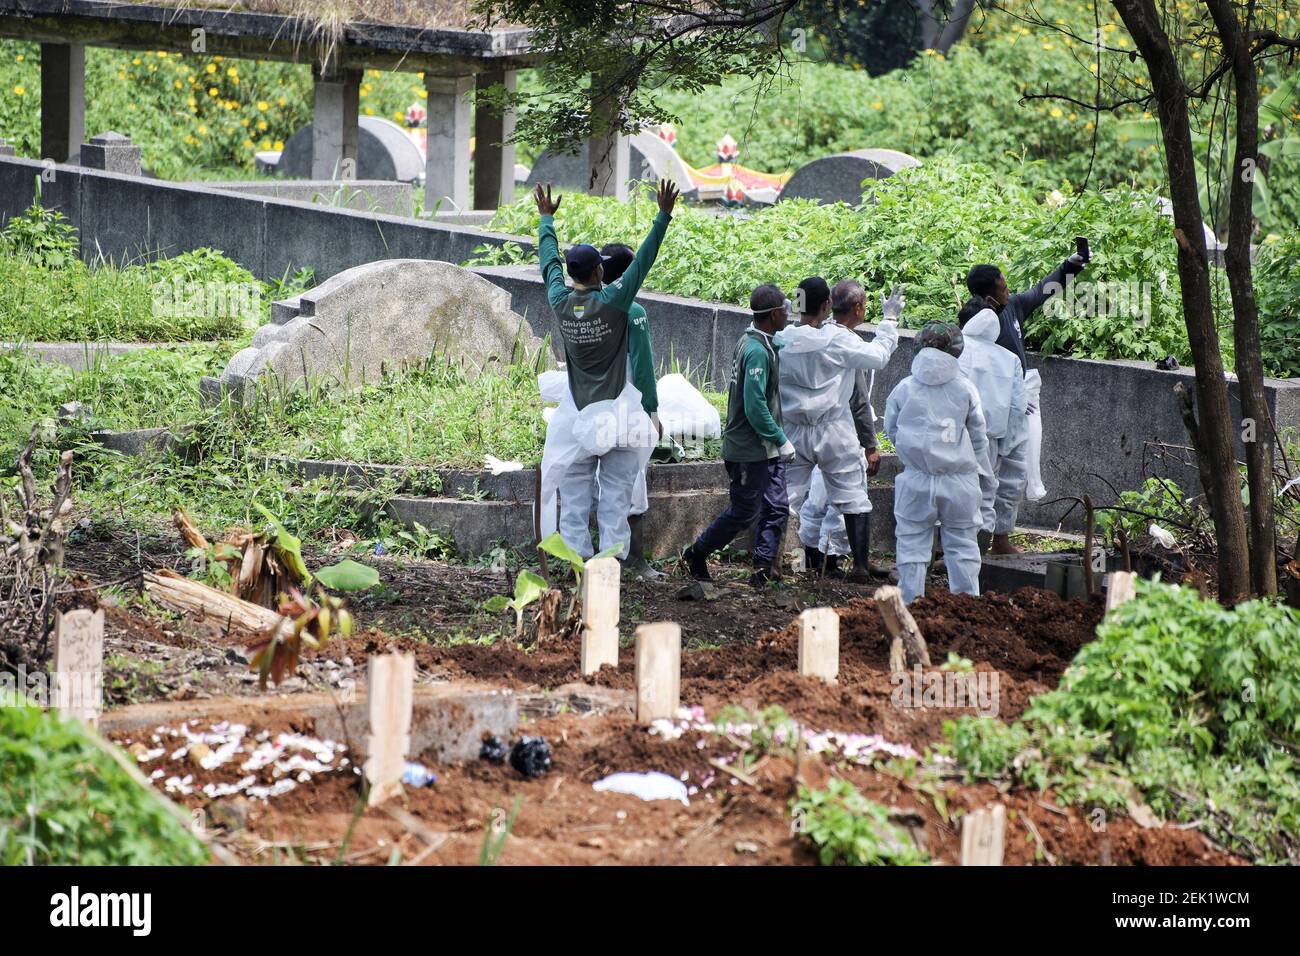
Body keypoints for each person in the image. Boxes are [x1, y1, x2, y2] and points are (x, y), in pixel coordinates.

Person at [536, 179, 678, 562]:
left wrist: (546, 221)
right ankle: (610, 564)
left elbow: (548, 265)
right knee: (616, 494)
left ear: (572, 274)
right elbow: (642, 262)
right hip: (618, 417)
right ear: (600, 271)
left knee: (576, 493)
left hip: (577, 415)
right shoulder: (617, 303)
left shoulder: (560, 301)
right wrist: (662, 216)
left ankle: (576, 563)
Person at [775, 277, 901, 582]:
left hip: (793, 429)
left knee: (784, 497)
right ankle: (858, 567)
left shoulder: (783, 338)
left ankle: (772, 561)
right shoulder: (838, 339)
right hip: (833, 427)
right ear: (827, 305)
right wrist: (889, 319)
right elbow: (880, 357)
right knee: (853, 496)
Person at [964, 245, 1089, 553]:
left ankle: (1001, 539)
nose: (1010, 292)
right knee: (978, 481)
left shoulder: (1013, 307)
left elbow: (1041, 292)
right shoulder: (971, 326)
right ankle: (962, 546)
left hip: (1019, 410)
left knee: (1013, 477)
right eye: (1003, 289)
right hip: (986, 418)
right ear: (988, 299)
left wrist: (1069, 267)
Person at [682, 285, 794, 586]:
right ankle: (696, 552)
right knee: (745, 512)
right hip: (749, 449)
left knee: (778, 506)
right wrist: (780, 438)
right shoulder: (756, 350)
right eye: (785, 309)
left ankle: (762, 569)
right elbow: (754, 405)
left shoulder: (758, 341)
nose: (789, 313)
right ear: (773, 315)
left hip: (764, 448)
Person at [884, 322, 990, 604]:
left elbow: (891, 429)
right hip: (960, 481)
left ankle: (910, 605)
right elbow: (979, 437)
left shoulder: (904, 388)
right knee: (963, 545)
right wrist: (971, 464)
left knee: (911, 544)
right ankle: (968, 606)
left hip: (916, 479)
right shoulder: (965, 388)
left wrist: (915, 455)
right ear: (956, 351)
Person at [957, 303, 1028, 551]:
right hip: (992, 439)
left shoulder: (955, 350)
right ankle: (978, 550)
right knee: (987, 494)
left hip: (954, 435)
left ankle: (946, 550)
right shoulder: (1010, 359)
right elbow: (1018, 408)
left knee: (953, 491)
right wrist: (1008, 446)